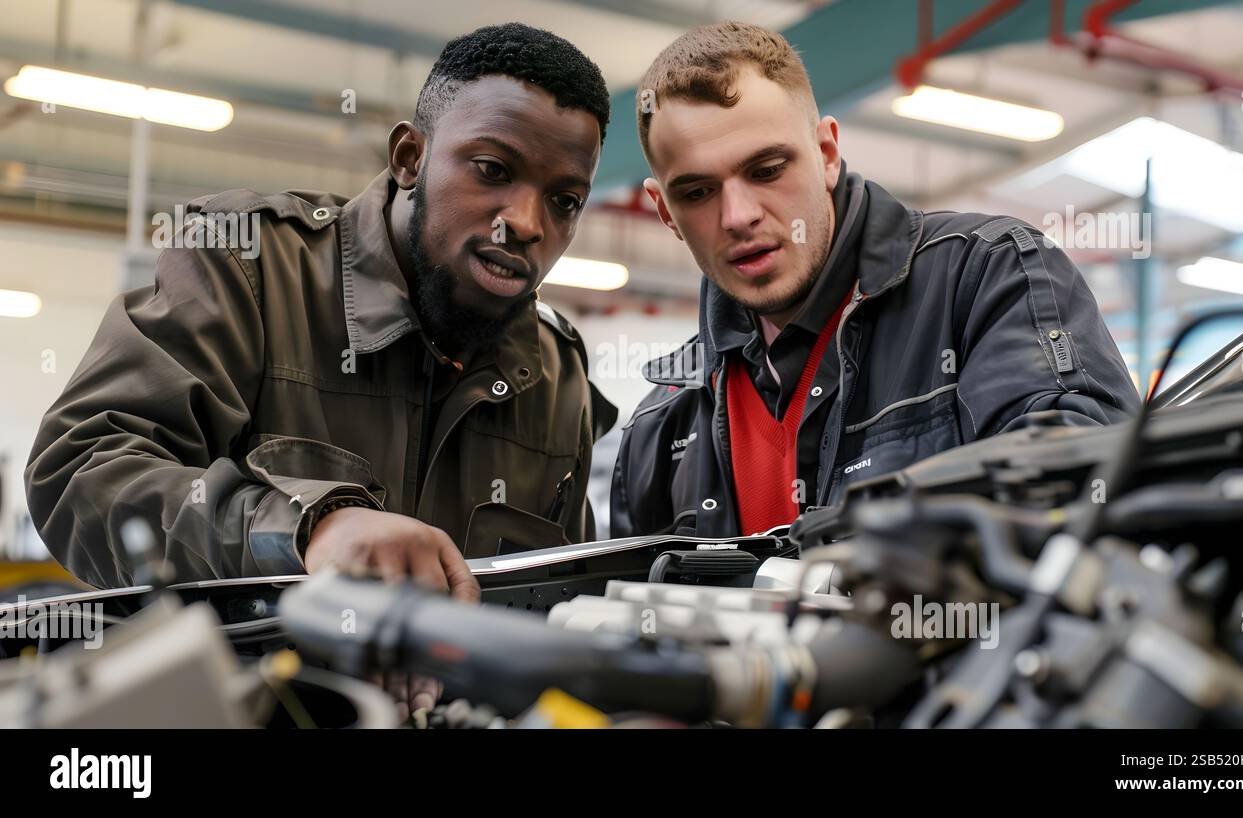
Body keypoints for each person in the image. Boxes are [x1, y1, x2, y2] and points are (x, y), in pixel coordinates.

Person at [26, 23, 617, 600]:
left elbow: (568, 605)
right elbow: (80, 473)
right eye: (492, 170)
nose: (527, 223)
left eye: (565, 201)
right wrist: (308, 528)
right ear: (410, 157)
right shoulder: (246, 266)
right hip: (241, 697)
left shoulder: (555, 374)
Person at [611, 21, 1139, 538]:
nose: (738, 215)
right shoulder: (662, 426)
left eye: (767, 169)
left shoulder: (988, 279)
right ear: (663, 210)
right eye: (697, 192)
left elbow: (1087, 500)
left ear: (827, 154)